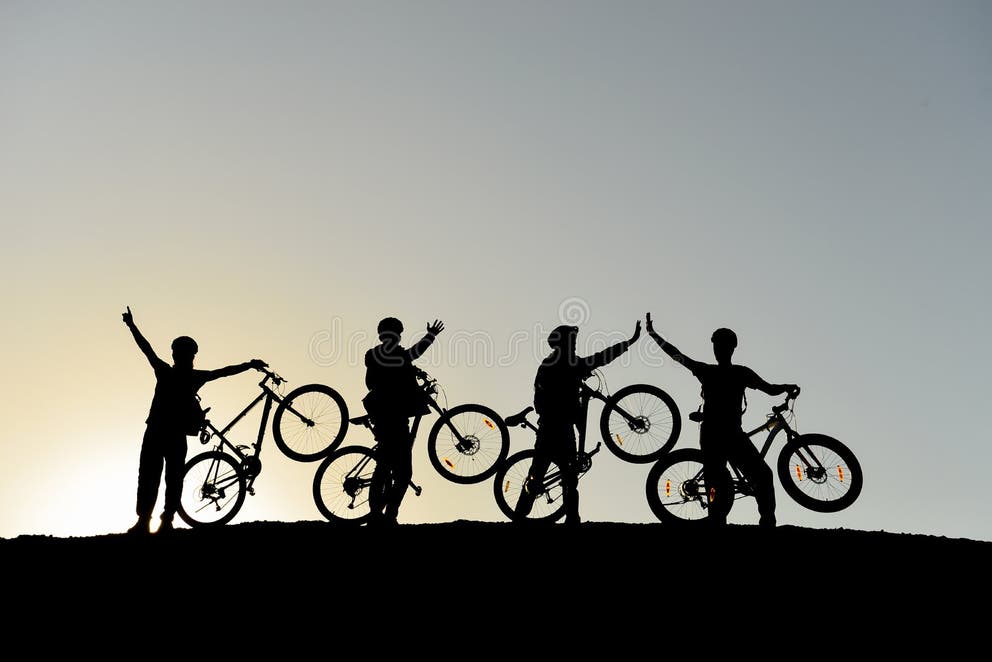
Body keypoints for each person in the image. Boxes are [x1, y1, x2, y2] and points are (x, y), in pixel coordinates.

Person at [122, 306, 267, 535]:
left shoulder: (170, 372)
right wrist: (249, 365)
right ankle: (157, 521)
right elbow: (224, 371)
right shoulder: (187, 375)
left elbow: (146, 348)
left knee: (157, 477)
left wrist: (132, 326)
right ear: (187, 356)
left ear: (175, 355)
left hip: (160, 432)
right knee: (164, 477)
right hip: (167, 434)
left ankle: (155, 521)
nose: (187, 358)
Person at [645, 313, 798, 527]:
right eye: (716, 346)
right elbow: (677, 355)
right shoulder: (723, 372)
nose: (718, 350)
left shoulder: (727, 372)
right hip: (721, 434)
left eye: (721, 346)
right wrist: (653, 335)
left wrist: (784, 387)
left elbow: (769, 388)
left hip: (723, 433)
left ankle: (760, 521)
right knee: (729, 480)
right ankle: (743, 522)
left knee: (756, 476)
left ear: (731, 348)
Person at [516, 321, 641, 526]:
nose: (574, 345)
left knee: (547, 473)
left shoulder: (554, 364)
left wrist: (629, 342)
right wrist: (629, 342)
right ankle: (567, 519)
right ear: (562, 342)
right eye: (572, 341)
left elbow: (601, 357)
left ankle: (523, 517)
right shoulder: (565, 364)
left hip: (554, 426)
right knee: (559, 475)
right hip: (557, 427)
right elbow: (601, 357)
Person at [363, 316, 445, 526]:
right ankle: (385, 514)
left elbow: (400, 365)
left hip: (386, 413)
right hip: (391, 414)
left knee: (388, 465)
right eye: (397, 333)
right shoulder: (389, 353)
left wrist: (410, 370)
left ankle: (381, 514)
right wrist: (430, 336)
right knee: (398, 469)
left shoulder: (376, 355)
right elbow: (412, 354)